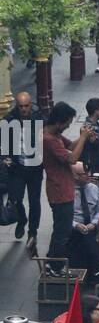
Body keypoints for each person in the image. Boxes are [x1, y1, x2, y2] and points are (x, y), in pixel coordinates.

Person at [42, 102, 89, 270]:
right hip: (59, 192)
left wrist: (84, 136)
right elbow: (72, 158)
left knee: (61, 230)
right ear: (59, 121)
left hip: (63, 190)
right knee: (62, 233)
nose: (69, 125)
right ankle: (54, 266)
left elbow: (70, 146)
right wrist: (83, 138)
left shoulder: (55, 135)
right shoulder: (49, 140)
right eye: (68, 122)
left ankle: (52, 262)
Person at [0, 88, 43, 254]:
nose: (24, 109)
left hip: (34, 168)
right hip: (17, 167)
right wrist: (6, 158)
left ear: (30, 105)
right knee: (15, 199)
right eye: (21, 106)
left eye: (26, 106)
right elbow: (4, 143)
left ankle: (33, 232)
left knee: (34, 201)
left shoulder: (39, 117)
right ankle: (21, 218)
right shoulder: (9, 120)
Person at [67, 161, 99, 278]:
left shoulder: (94, 188)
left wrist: (93, 224)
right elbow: (63, 217)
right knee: (84, 238)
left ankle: (94, 269)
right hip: (73, 229)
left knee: (87, 236)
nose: (88, 175)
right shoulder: (66, 192)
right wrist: (76, 225)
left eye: (88, 171)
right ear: (75, 176)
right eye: (84, 174)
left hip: (91, 227)